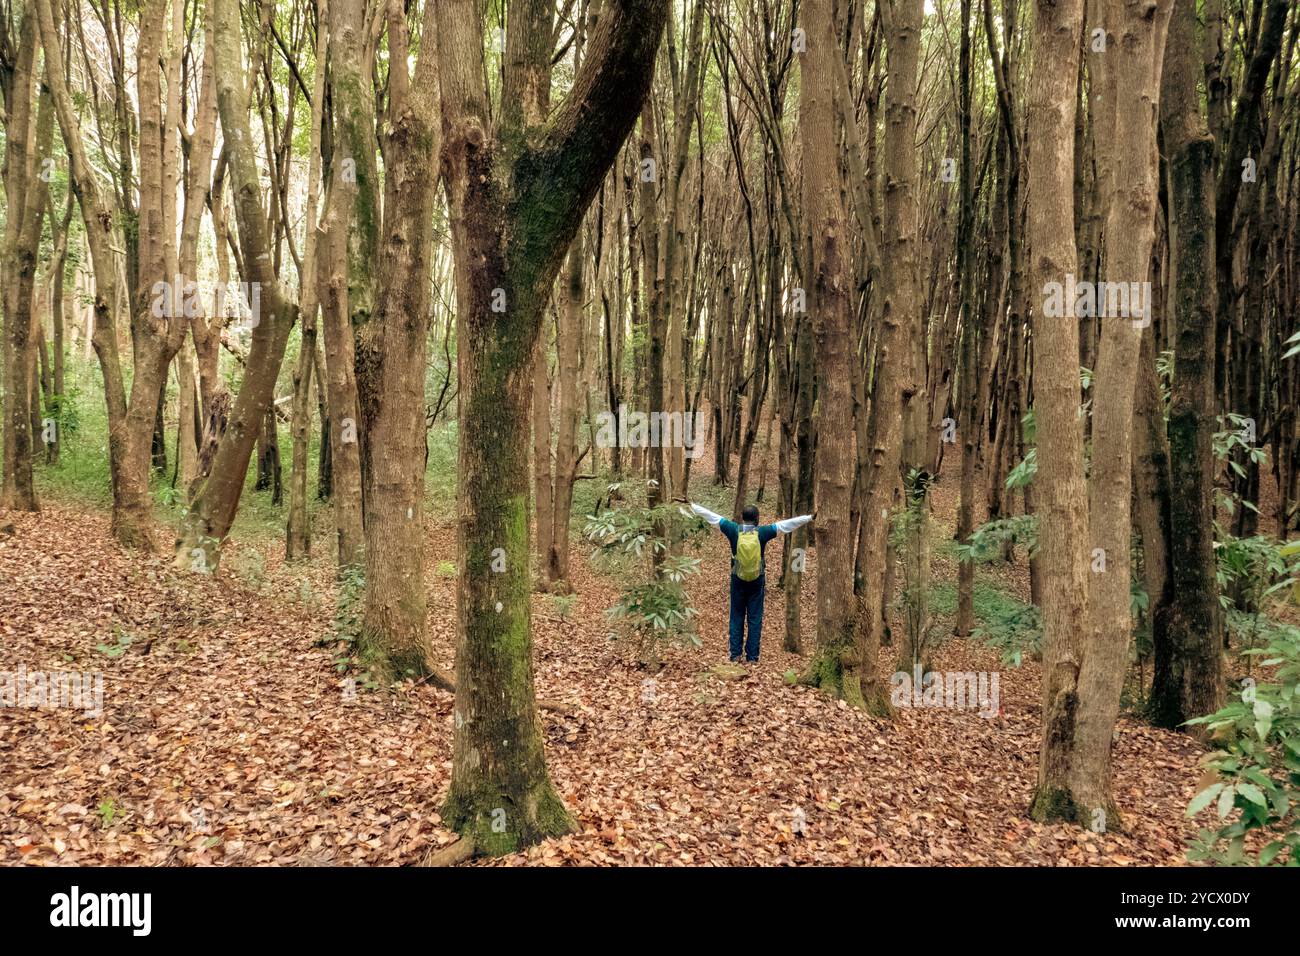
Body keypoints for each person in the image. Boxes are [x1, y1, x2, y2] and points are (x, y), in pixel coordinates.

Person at [687, 501, 813, 663]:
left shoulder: (733, 530)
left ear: (742, 518)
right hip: (756, 581)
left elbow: (712, 516)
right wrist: (809, 517)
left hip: (737, 579)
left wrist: (692, 506)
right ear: (757, 519)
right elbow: (786, 525)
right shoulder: (763, 533)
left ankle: (735, 655)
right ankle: (752, 657)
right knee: (755, 617)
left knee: (736, 616)